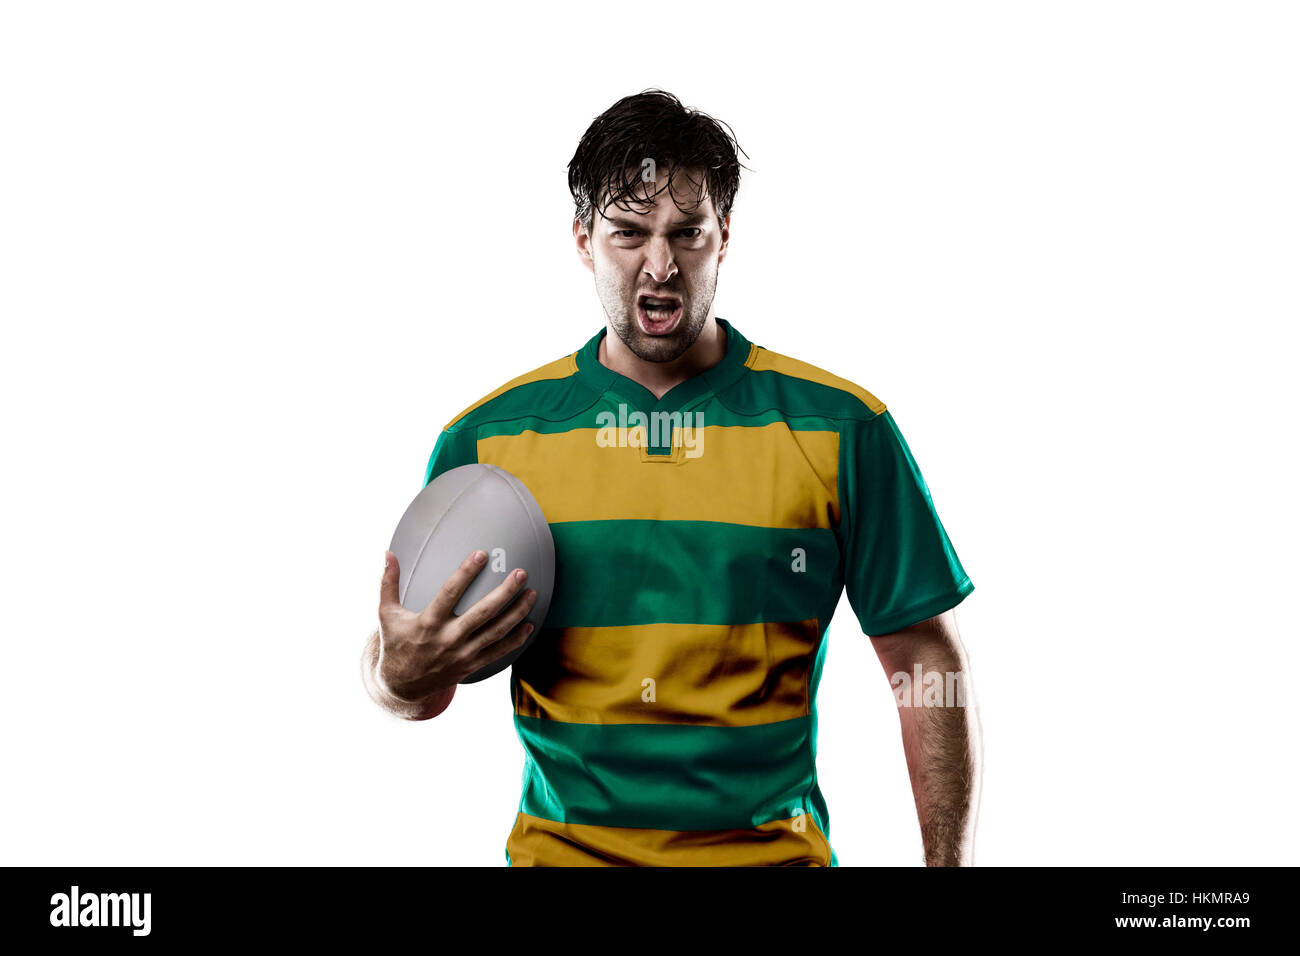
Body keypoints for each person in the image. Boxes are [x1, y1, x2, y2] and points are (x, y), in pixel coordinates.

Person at [361, 89, 980, 866]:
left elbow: (925, 658)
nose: (661, 265)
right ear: (583, 239)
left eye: (688, 232)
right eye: (628, 233)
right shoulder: (489, 443)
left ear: (726, 239)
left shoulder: (843, 430)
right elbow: (412, 682)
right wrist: (397, 673)